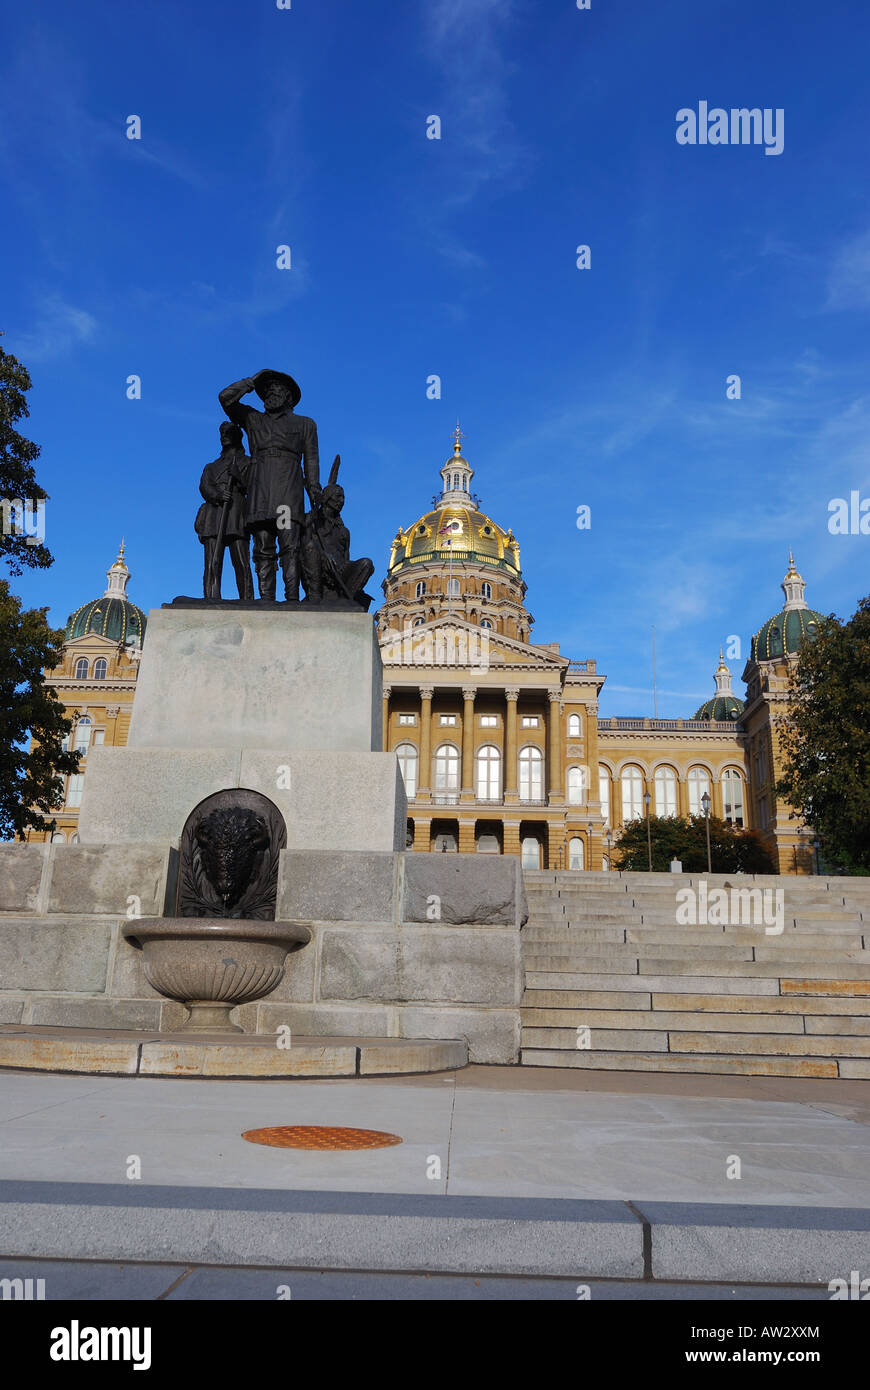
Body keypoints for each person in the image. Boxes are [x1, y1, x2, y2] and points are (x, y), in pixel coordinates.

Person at [218, 369, 321, 601]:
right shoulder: (253, 419)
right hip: (260, 491)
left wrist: (314, 486)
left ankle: (292, 598)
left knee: (289, 546)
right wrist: (250, 382)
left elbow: (312, 459)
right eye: (267, 391)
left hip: (287, 492)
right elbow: (225, 398)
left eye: (277, 391)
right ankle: (266, 600)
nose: (271, 394)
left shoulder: (305, 424)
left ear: (289, 397)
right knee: (262, 547)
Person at [301, 454, 374, 605]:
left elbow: (346, 557)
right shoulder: (313, 520)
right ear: (328, 498)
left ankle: (344, 599)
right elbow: (304, 540)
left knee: (367, 563)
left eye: (343, 498)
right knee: (310, 550)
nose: (341, 501)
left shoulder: (344, 531)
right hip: (319, 565)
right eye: (338, 497)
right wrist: (323, 555)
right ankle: (315, 595)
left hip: (339, 569)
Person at [195, 421, 254, 599]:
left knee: (242, 562)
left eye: (228, 432)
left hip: (236, 513)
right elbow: (204, 486)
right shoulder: (211, 466)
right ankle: (211, 598)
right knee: (213, 562)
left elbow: (254, 487)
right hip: (215, 513)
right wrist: (218, 494)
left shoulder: (247, 462)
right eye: (222, 433)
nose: (224, 436)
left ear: (238, 436)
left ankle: (247, 599)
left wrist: (239, 477)